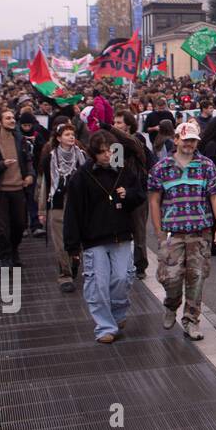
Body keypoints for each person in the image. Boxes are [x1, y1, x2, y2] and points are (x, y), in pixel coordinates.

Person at [63, 131, 145, 343]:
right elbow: (73, 211)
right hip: (94, 238)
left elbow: (139, 195)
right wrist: (72, 245)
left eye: (110, 151)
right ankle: (105, 326)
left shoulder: (123, 171)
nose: (107, 156)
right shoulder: (82, 176)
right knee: (98, 283)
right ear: (94, 154)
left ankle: (118, 313)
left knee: (122, 277)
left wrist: (128, 195)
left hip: (121, 234)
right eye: (102, 152)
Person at [147, 120, 216, 340]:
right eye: (187, 139)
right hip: (173, 233)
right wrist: (159, 231)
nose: (190, 144)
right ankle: (172, 304)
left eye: (194, 140)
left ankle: (191, 320)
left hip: (200, 232)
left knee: (196, 278)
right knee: (170, 278)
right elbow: (154, 201)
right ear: (177, 139)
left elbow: (215, 196)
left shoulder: (207, 165)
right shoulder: (160, 168)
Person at [0, 108, 36, 267]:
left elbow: (28, 160)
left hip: (18, 189)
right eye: (8, 118)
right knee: (2, 228)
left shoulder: (20, 139)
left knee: (19, 225)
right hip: (0, 192)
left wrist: (30, 175)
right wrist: (1, 164)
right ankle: (5, 257)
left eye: (13, 118)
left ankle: (14, 250)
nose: (12, 120)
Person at [40, 122, 87, 292]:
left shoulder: (82, 156)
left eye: (72, 134)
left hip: (78, 204)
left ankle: (74, 262)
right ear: (59, 138)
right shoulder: (50, 158)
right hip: (58, 203)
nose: (71, 137)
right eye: (67, 134)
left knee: (77, 239)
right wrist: (41, 210)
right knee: (60, 243)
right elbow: (46, 184)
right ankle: (64, 275)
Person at [111, 111, 151, 280]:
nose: (115, 125)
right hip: (121, 192)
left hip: (138, 193)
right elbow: (115, 170)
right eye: (114, 122)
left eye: (119, 122)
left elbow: (134, 146)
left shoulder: (138, 140)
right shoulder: (116, 145)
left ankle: (140, 265)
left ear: (128, 124)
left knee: (139, 232)